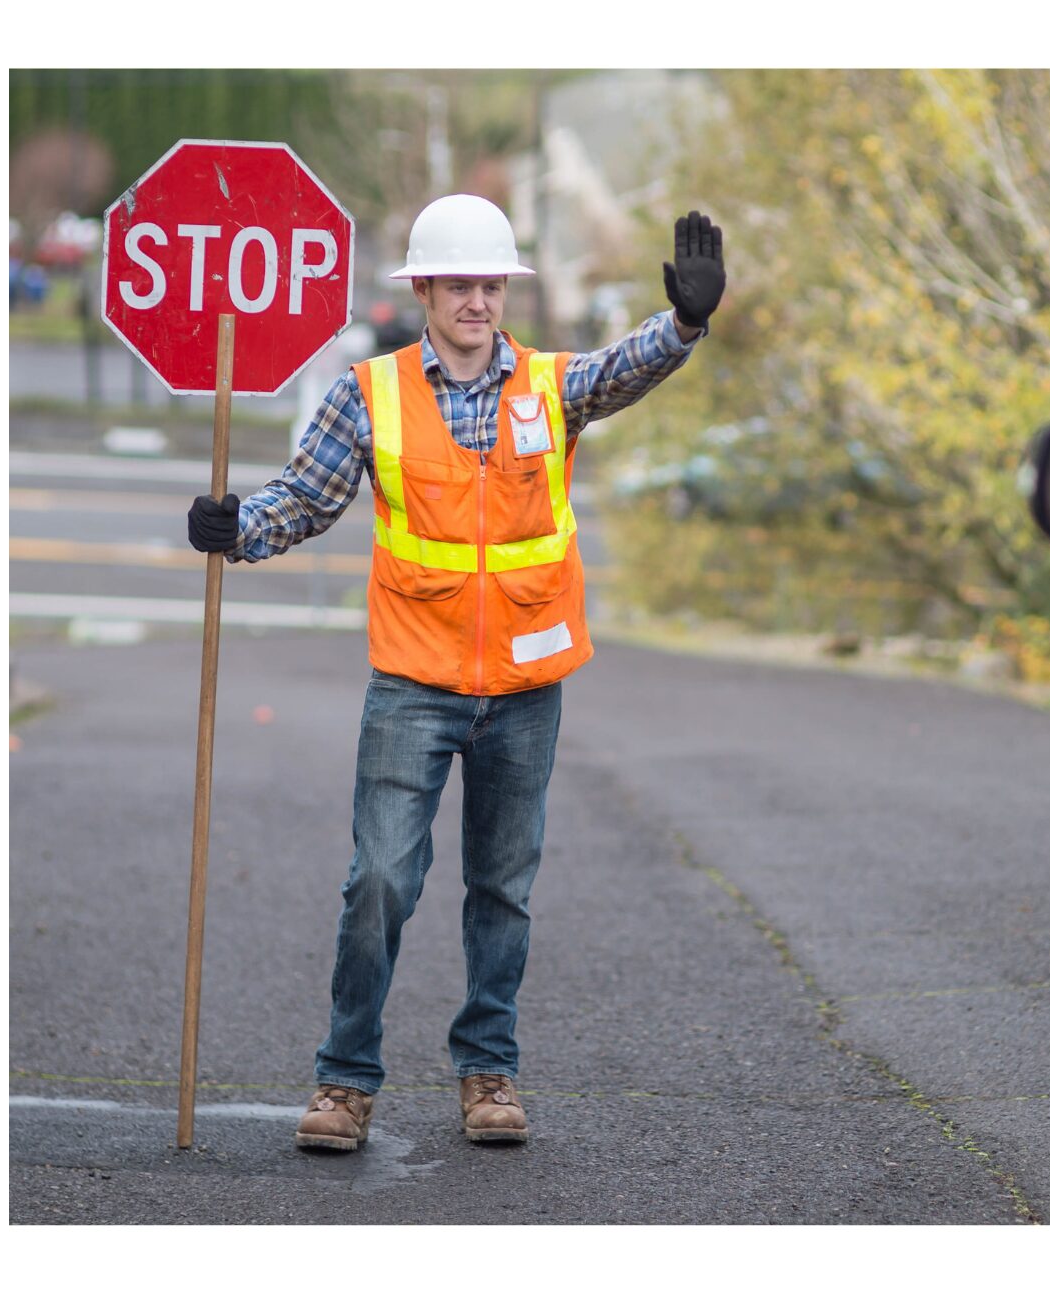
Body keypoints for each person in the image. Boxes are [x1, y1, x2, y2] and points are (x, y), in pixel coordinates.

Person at [184, 194, 725, 1149]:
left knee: (502, 891)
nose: (478, 302)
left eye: (491, 285)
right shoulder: (370, 393)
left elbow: (622, 368)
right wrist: (239, 528)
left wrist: (683, 322)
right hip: (414, 683)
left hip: (524, 688)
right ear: (425, 291)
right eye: (460, 285)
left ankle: (488, 1073)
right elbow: (305, 498)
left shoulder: (551, 387)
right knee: (381, 883)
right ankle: (344, 1082)